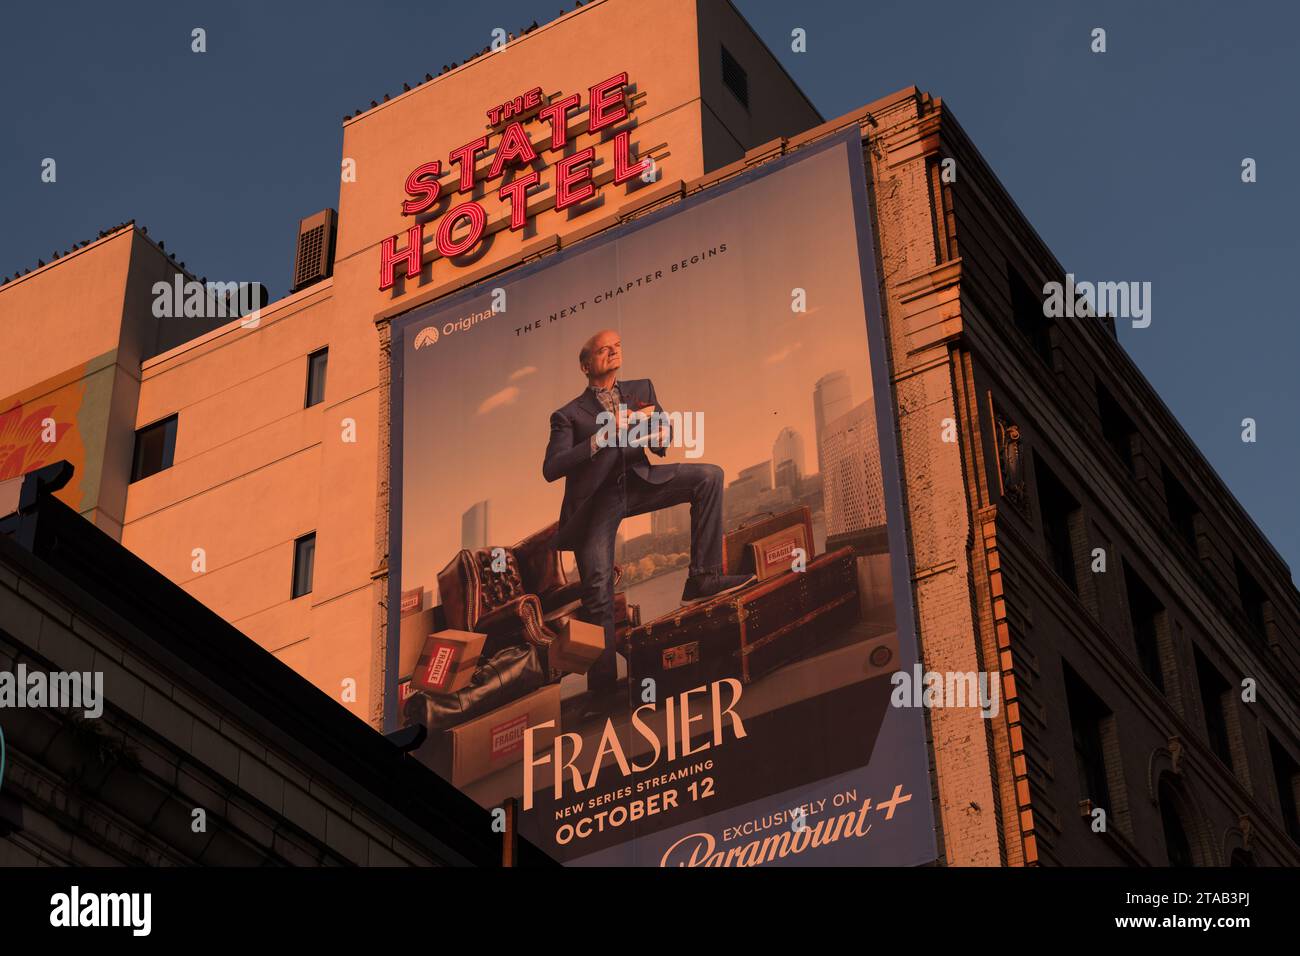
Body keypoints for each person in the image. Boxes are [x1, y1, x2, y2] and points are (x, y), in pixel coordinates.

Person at [542, 329, 754, 710]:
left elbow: (661, 442)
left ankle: (703, 578)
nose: (612, 351)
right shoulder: (568, 415)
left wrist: (653, 428)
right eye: (602, 349)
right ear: (585, 364)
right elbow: (552, 467)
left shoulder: (641, 388)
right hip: (598, 500)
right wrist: (601, 438)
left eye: (617, 346)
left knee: (710, 476)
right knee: (597, 588)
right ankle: (603, 689)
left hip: (641, 481)